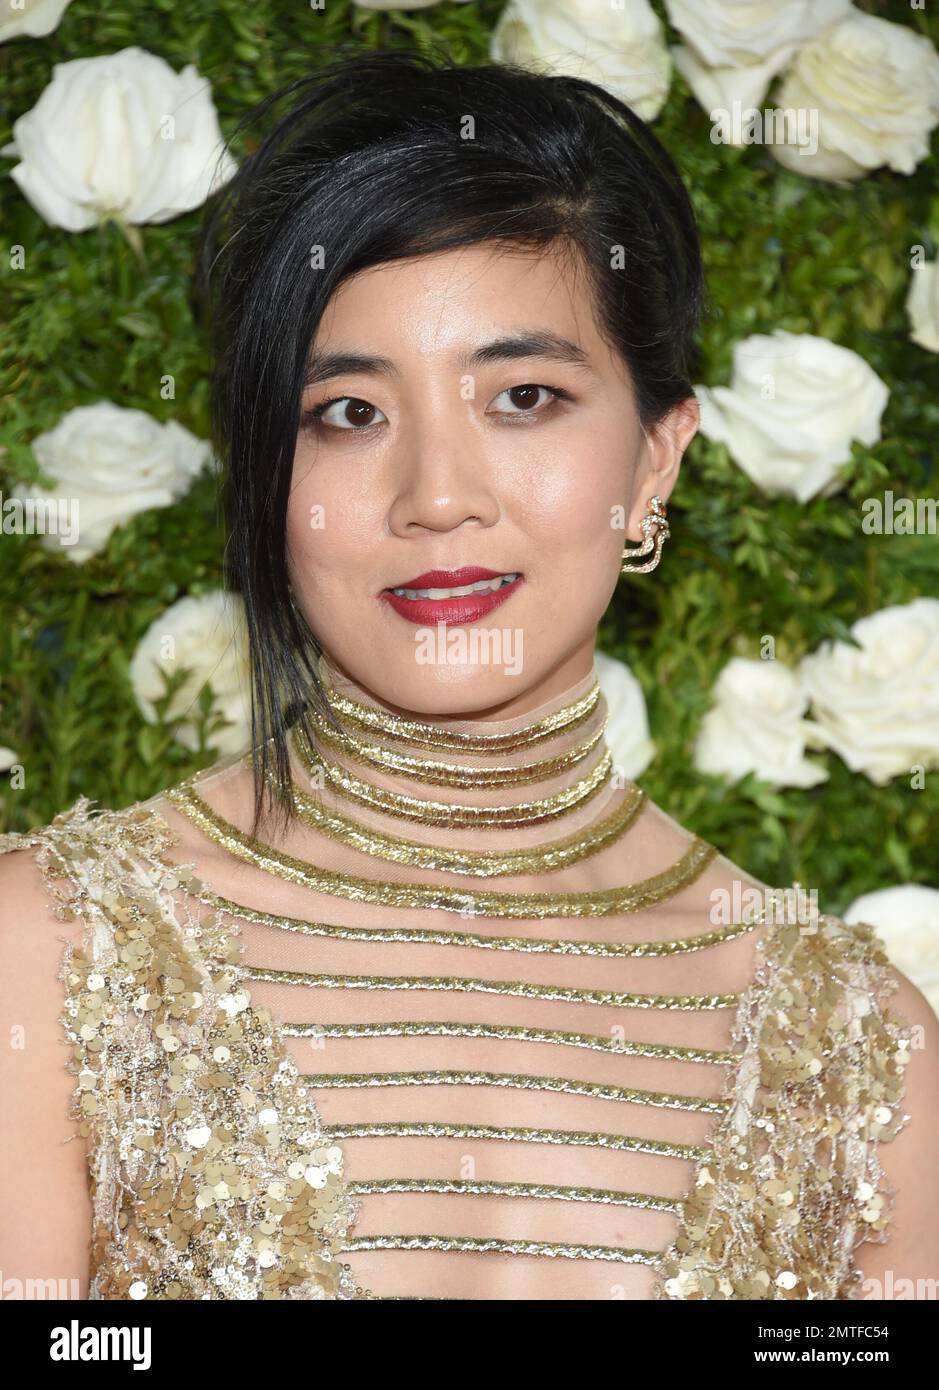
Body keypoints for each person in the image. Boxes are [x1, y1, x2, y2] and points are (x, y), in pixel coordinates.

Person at [1, 49, 937, 1303]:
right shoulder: (51, 955)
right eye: (348, 413)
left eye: (526, 395)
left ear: (657, 464)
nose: (437, 498)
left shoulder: (862, 1044)